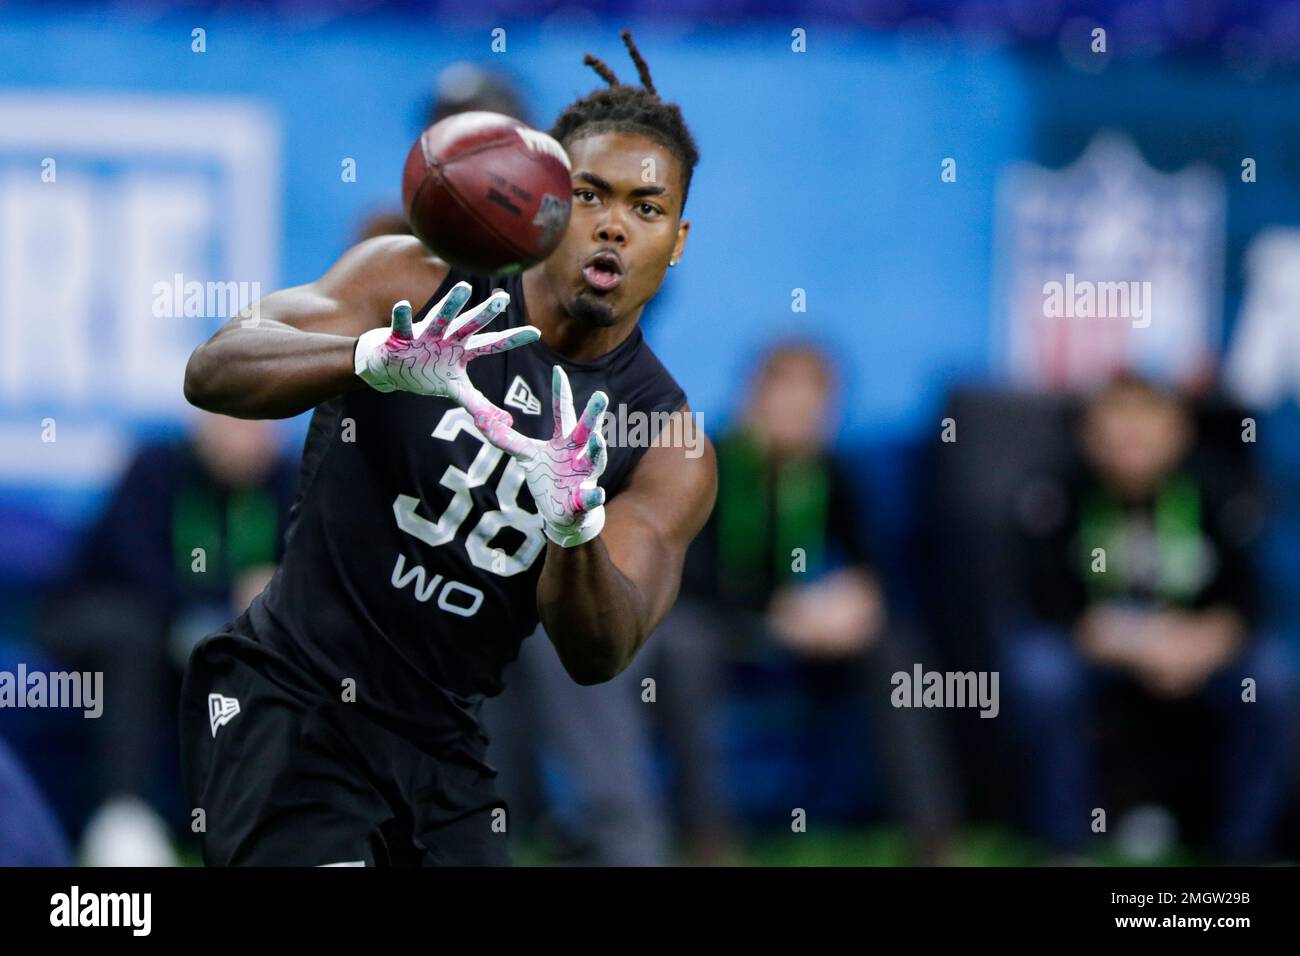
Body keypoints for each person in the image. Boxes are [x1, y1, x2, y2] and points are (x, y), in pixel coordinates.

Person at [179, 31, 716, 866]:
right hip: (294, 695)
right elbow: (215, 368)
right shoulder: (414, 280)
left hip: (443, 749)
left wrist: (574, 525)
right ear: (544, 202)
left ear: (677, 242)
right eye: (589, 196)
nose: (613, 225)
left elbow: (597, 653)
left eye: (645, 209)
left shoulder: (667, 440)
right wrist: (370, 359)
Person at [677, 342, 961, 863]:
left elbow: (870, 568)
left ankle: (932, 835)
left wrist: (854, 607)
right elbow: (687, 577)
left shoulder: (834, 473)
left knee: (896, 650)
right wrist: (778, 612)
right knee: (683, 648)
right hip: (725, 626)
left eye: (812, 406)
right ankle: (709, 836)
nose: (796, 417)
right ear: (752, 399)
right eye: (783, 400)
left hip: (808, 631)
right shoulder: (706, 464)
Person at [1004, 372, 1300, 861]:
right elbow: (1048, 602)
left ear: (1178, 431)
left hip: (1197, 654)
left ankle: (1248, 844)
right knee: (1039, 673)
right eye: (1116, 428)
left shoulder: (1217, 489)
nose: (1130, 441)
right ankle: (1063, 843)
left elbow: (1249, 601)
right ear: (1089, 436)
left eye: (1145, 427)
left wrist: (1197, 645)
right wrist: (1139, 645)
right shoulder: (1057, 491)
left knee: (1270, 676)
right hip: (1099, 652)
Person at [39, 412, 296, 866]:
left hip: (219, 634)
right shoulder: (156, 467)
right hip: (104, 621)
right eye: (236, 424)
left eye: (261, 427)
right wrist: (225, 594)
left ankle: (279, 818)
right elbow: (127, 566)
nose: (249, 439)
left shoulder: (286, 482)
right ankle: (123, 818)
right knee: (134, 633)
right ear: (205, 424)